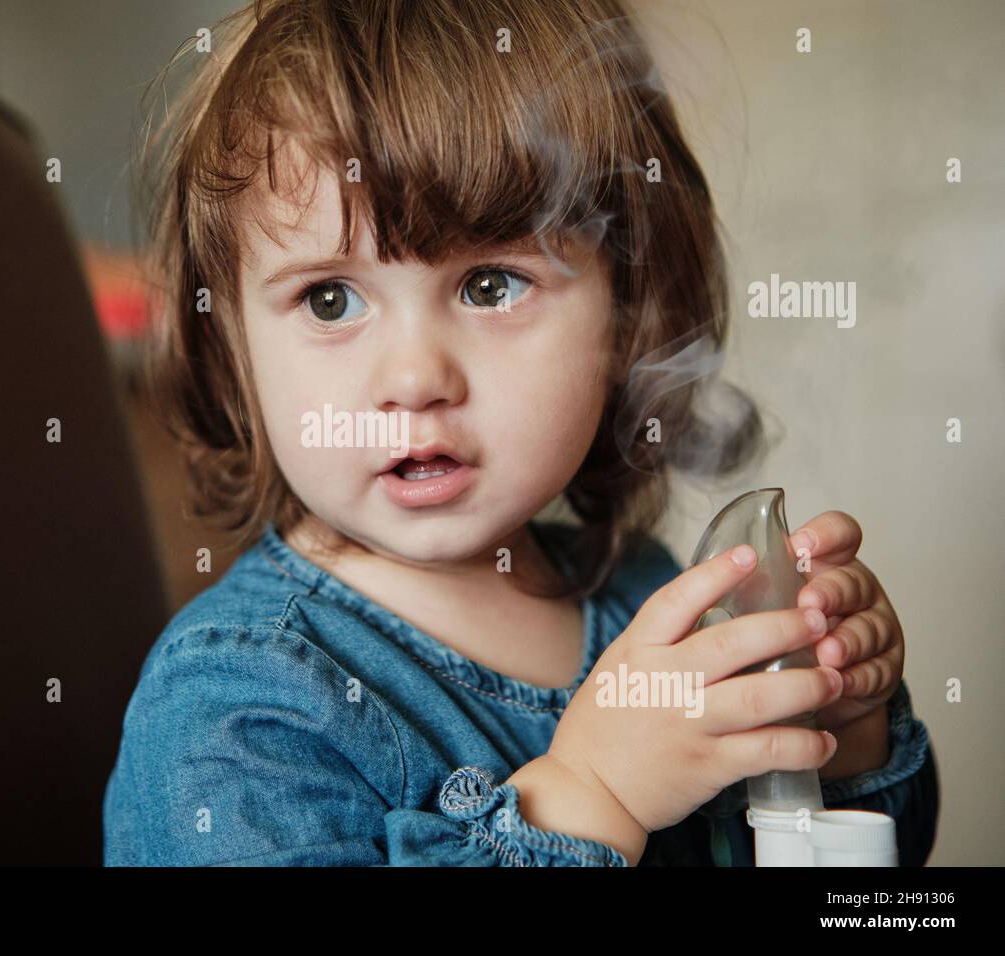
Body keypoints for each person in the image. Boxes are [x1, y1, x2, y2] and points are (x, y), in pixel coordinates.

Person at [103, 0, 937, 866]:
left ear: (627, 321)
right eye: (329, 299)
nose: (414, 379)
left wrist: (837, 741)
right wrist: (590, 797)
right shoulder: (233, 703)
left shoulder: (651, 599)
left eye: (492, 286)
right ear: (233, 346)